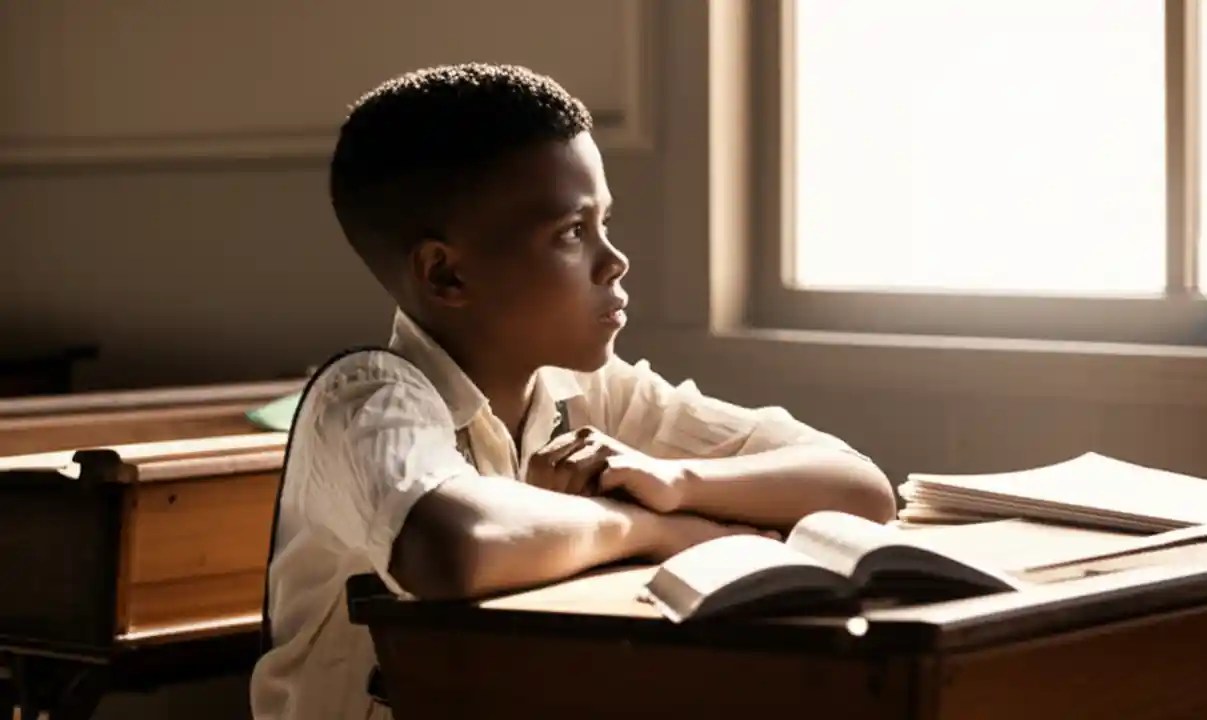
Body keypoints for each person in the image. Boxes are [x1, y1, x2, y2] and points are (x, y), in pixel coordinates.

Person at [250, 63, 894, 719]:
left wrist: (679, 482)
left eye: (605, 222)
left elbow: (860, 488)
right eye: (572, 232)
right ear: (445, 275)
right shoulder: (362, 401)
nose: (614, 260)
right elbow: (454, 545)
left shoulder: (590, 391)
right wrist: (650, 529)